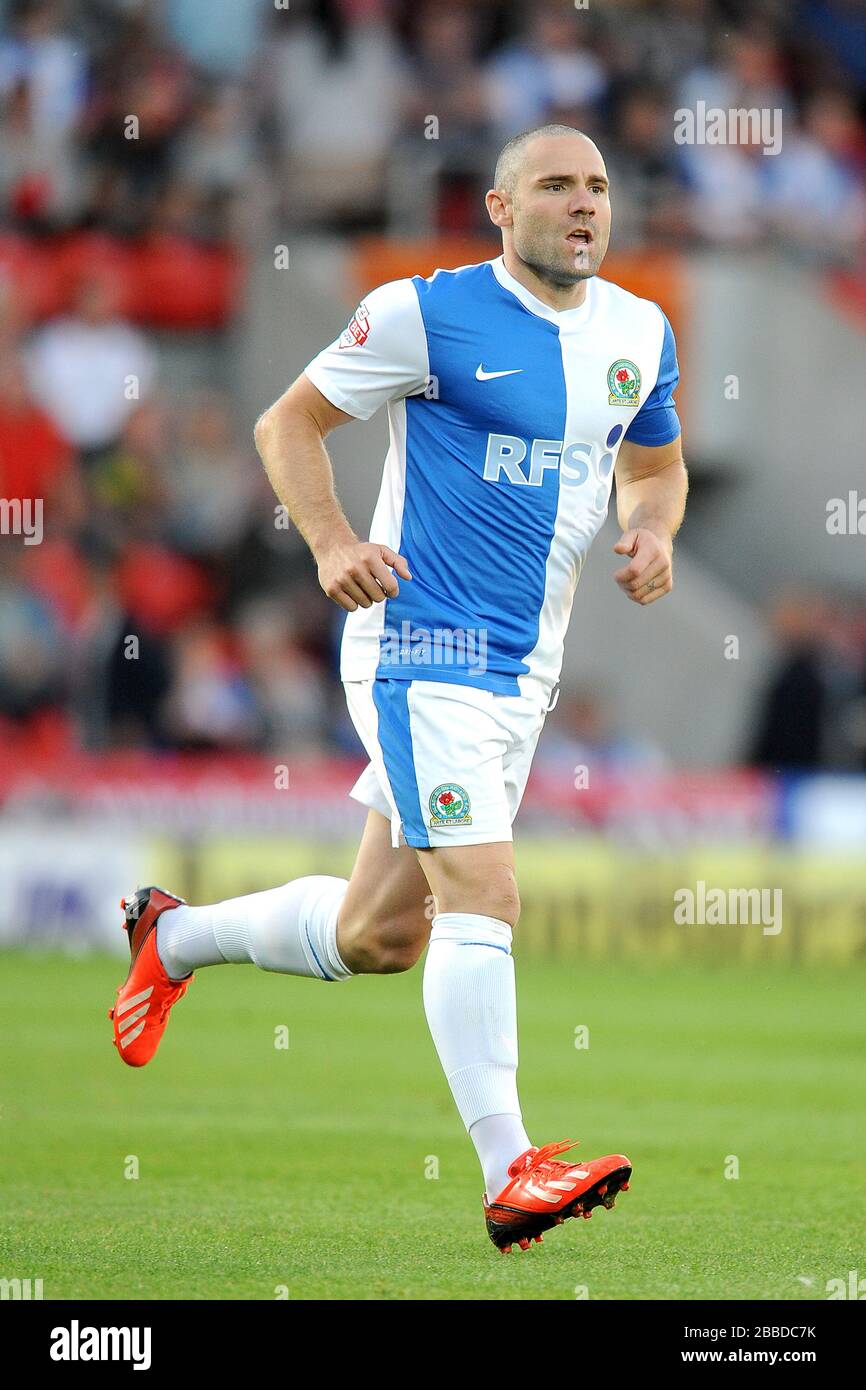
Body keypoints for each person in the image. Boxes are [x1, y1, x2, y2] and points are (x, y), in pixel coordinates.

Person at [108, 124, 688, 1254]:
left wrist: (650, 531)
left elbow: (653, 463)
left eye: (599, 188)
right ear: (496, 206)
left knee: (380, 935)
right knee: (485, 891)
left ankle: (168, 941)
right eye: (556, 186)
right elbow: (290, 424)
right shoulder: (422, 314)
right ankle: (508, 1166)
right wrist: (329, 544)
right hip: (421, 648)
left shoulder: (640, 330)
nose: (583, 206)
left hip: (523, 672)